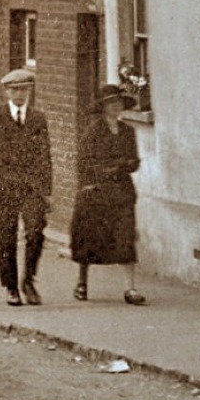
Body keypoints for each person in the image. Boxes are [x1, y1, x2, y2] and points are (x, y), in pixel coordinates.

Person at [0, 66, 54, 307]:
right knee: (6, 236)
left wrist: (47, 191)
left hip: (32, 187)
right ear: (7, 92)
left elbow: (45, 155)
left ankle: (29, 281)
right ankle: (12, 287)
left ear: (30, 92)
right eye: (15, 90)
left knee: (35, 232)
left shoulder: (38, 118)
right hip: (5, 186)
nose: (20, 95)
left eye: (24, 90)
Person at [70, 85, 145, 305]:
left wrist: (124, 165)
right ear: (103, 107)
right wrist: (98, 177)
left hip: (122, 192)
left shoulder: (127, 131)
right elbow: (84, 163)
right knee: (89, 238)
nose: (116, 106)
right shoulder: (93, 132)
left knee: (125, 237)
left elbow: (134, 161)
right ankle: (82, 283)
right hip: (97, 191)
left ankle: (130, 288)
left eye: (118, 102)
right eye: (111, 103)